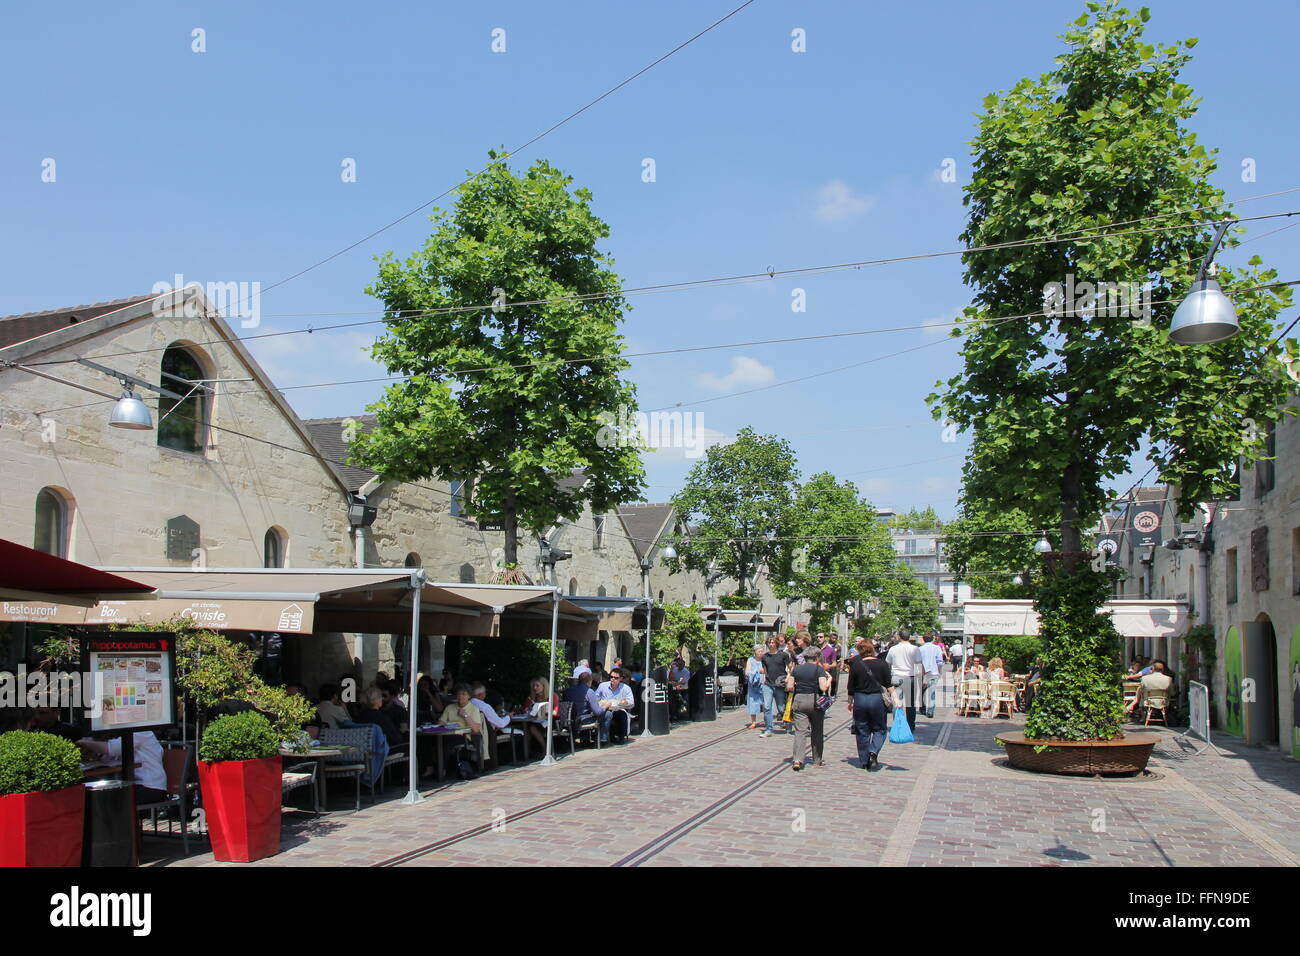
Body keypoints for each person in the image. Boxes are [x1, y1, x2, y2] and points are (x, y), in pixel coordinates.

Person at [79, 731, 168, 804]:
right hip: (135, 785)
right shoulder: (123, 735)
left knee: (103, 799)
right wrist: (94, 754)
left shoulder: (141, 732)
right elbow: (108, 759)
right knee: (96, 795)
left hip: (150, 788)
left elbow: (111, 749)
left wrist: (84, 743)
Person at [847, 639, 893, 771]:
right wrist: (896, 699)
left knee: (862, 730)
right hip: (876, 699)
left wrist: (850, 702)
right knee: (880, 729)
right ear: (872, 649)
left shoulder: (855, 665)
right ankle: (873, 750)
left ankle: (864, 760)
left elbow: (851, 686)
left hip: (860, 699)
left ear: (859, 651)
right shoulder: (882, 664)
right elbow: (888, 684)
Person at [788, 647, 831, 771]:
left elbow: (789, 686)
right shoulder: (819, 669)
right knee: (817, 731)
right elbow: (823, 687)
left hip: (799, 700)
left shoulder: (796, 669)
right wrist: (829, 680)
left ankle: (797, 760)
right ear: (817, 657)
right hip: (815, 700)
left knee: (800, 731)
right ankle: (817, 760)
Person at [439, 683, 488, 761]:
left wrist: (465, 715)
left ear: (469, 696)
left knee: (446, 743)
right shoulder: (450, 707)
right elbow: (441, 723)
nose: (460, 696)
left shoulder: (474, 708)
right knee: (436, 742)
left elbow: (476, 729)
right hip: (447, 734)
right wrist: (445, 724)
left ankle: (444, 770)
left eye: (464, 694)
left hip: (464, 737)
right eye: (458, 694)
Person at [885, 634, 920, 732]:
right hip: (910, 676)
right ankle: (910, 725)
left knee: (896, 702)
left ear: (899, 637)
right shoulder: (915, 649)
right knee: (911, 703)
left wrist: (888, 677)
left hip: (897, 677)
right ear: (908, 637)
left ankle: (897, 724)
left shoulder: (893, 649)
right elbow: (919, 664)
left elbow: (888, 662)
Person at [593, 668, 634, 743]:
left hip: (619, 709)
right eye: (611, 677)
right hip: (606, 709)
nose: (613, 679)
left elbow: (631, 702)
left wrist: (625, 702)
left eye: (616, 678)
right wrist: (602, 703)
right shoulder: (603, 686)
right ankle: (604, 738)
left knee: (622, 715)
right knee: (608, 714)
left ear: (621, 679)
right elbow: (595, 699)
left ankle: (621, 737)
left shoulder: (626, 688)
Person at [760, 637, 791, 737]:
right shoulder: (764, 657)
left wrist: (789, 678)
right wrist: (765, 678)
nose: (771, 644)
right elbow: (765, 669)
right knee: (767, 707)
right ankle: (769, 729)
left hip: (779, 685)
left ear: (777, 644)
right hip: (768, 684)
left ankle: (787, 721)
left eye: (773, 642)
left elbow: (791, 667)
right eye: (769, 642)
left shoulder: (783, 655)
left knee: (781, 708)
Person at [523, 677, 560, 752]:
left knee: (532, 728)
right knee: (527, 727)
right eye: (533, 686)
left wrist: (544, 712)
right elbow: (525, 709)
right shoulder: (532, 698)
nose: (535, 688)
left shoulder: (552, 696)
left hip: (550, 721)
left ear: (544, 686)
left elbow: (555, 712)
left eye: (537, 685)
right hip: (536, 721)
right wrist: (530, 705)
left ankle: (545, 749)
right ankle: (527, 752)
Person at [917, 633, 944, 719]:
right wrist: (939, 672)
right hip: (933, 672)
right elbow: (939, 662)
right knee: (932, 692)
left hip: (922, 673)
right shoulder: (937, 648)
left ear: (924, 639)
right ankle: (930, 710)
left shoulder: (919, 649)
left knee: (921, 692)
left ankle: (922, 707)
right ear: (932, 639)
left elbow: (917, 662)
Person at [744, 644, 766, 729]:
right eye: (759, 651)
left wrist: (764, 671)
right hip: (753, 685)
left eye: (761, 651)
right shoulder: (750, 660)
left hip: (764, 684)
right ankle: (753, 722)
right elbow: (747, 672)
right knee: (752, 703)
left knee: (765, 703)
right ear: (755, 652)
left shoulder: (765, 660)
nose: (760, 653)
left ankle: (767, 719)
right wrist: (755, 672)